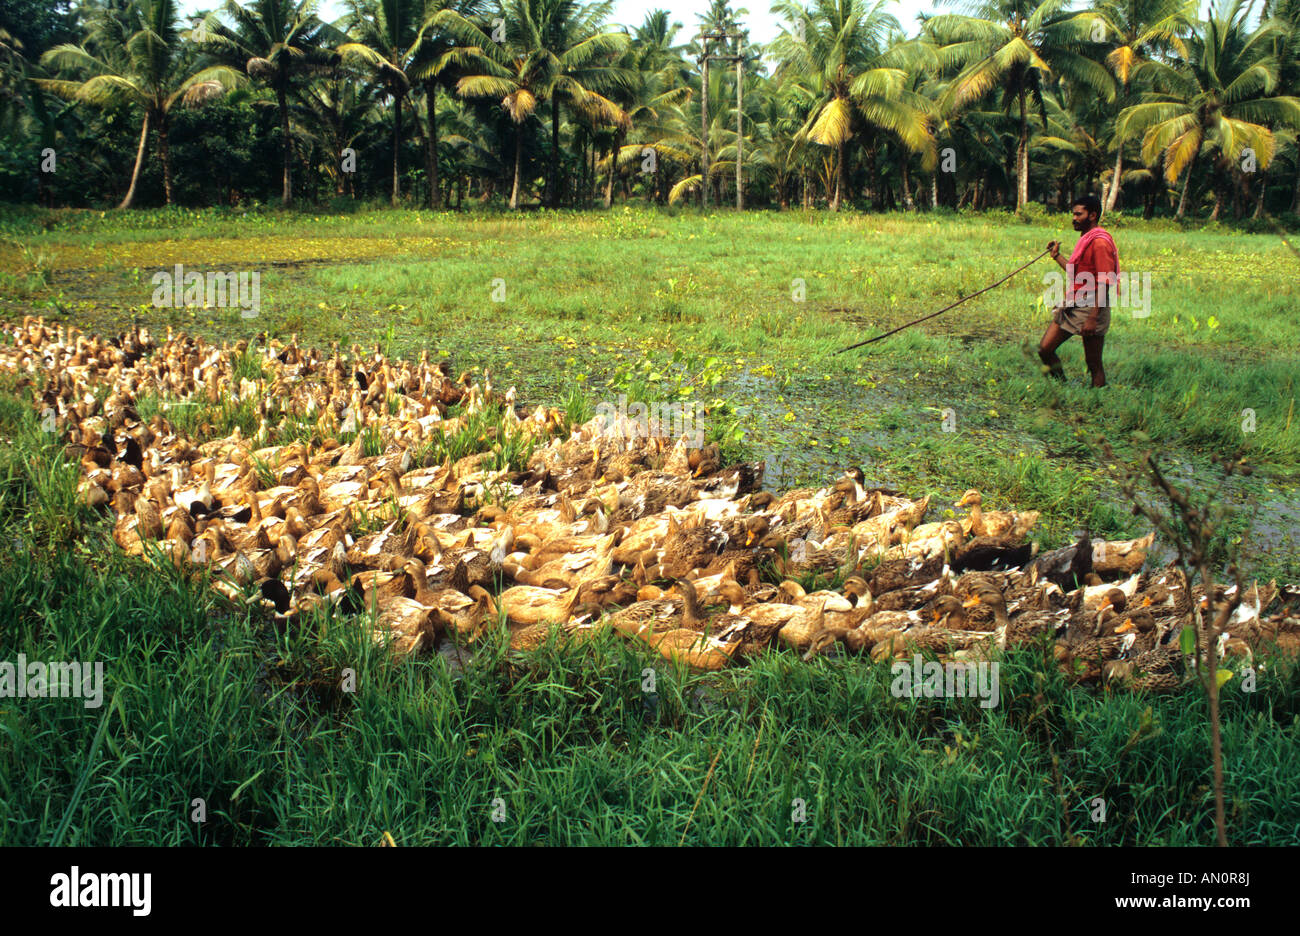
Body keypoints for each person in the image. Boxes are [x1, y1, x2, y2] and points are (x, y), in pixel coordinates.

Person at [1039, 194, 1119, 388]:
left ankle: (1097, 399)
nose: (1074, 218)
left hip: (1092, 306)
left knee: (1093, 363)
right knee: (1044, 349)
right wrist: (1056, 256)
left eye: (1078, 214)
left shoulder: (1099, 242)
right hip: (1075, 301)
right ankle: (1062, 386)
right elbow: (1076, 273)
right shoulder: (1086, 239)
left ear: (1092, 215)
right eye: (1073, 214)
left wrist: (1093, 317)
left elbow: (1105, 281)